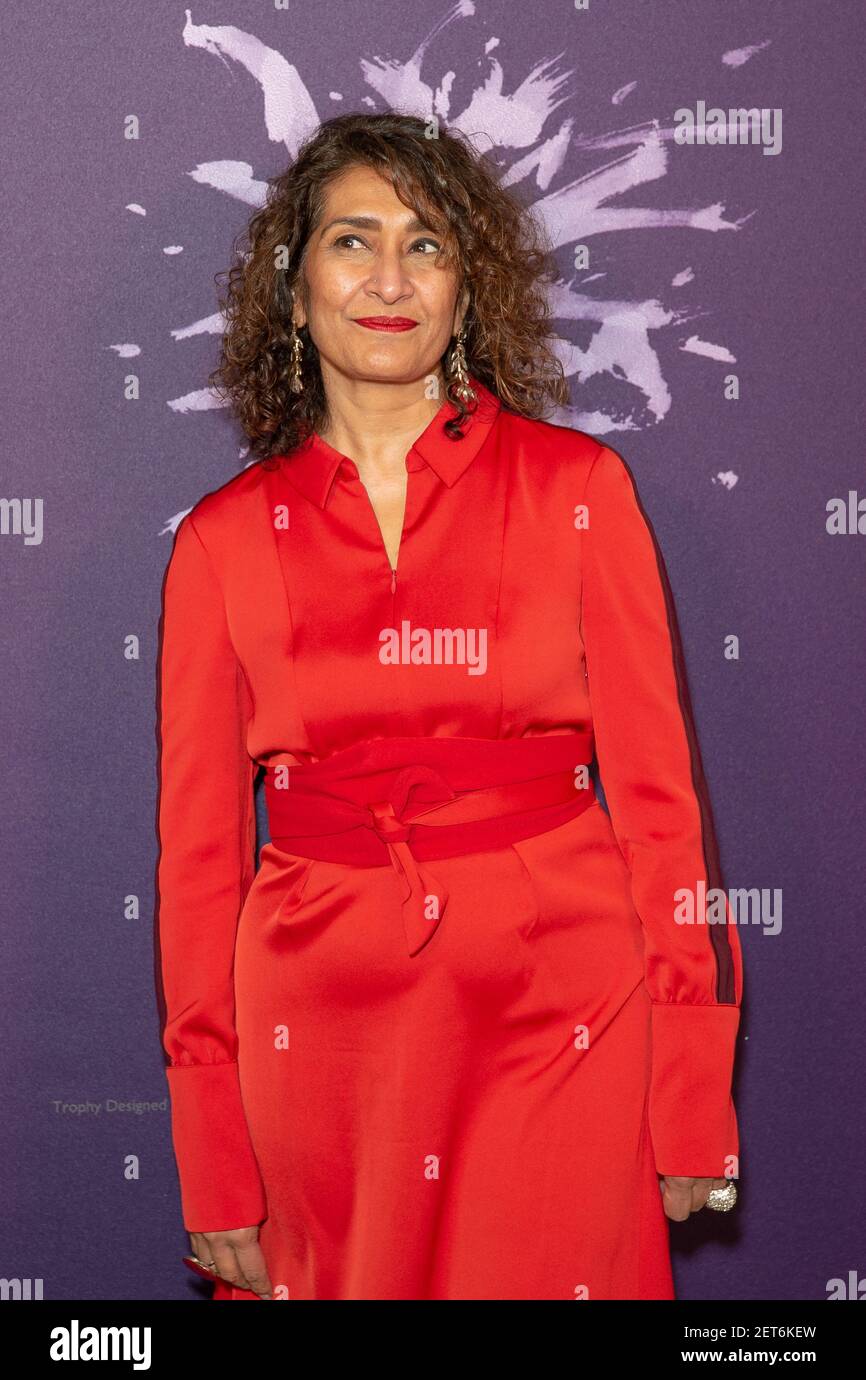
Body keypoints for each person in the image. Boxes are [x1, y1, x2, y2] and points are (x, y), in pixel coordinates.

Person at [155, 111, 743, 1302]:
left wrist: (688, 1088)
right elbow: (196, 867)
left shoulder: (579, 490)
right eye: (350, 241)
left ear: (466, 287)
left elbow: (660, 810)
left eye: (426, 246)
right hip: (318, 1044)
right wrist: (211, 1146)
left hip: (561, 1017)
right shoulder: (222, 543)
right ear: (295, 281)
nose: (386, 279)